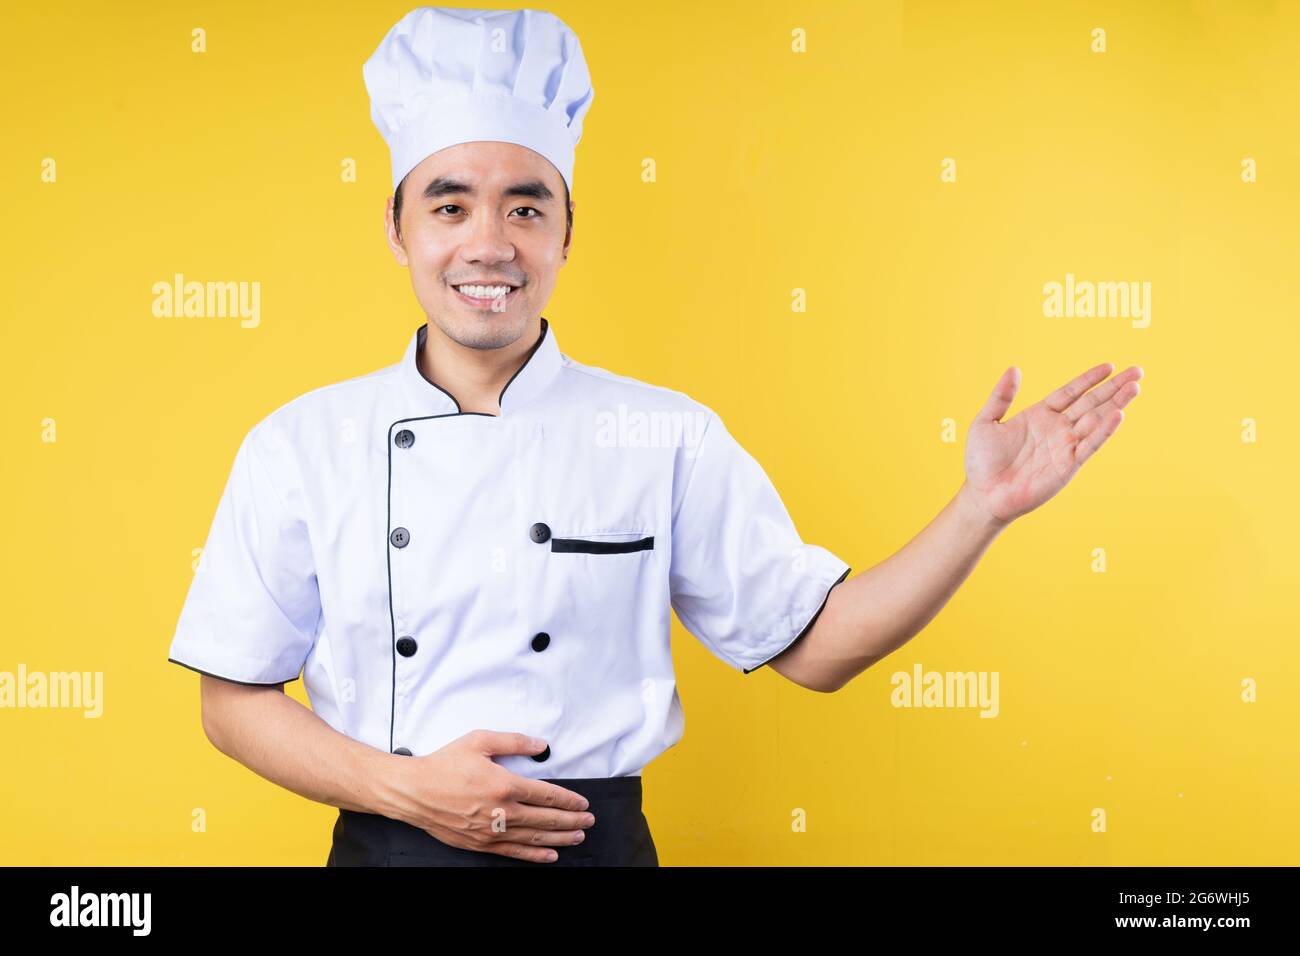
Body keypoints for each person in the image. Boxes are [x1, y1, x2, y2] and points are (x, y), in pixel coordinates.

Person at [167, 6, 1143, 867]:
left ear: (566, 229)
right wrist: (406, 789)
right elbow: (232, 698)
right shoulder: (300, 443)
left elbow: (816, 646)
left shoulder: (662, 434)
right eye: (449, 203)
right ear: (396, 228)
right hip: (390, 851)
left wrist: (980, 510)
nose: (489, 241)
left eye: (526, 204)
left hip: (597, 852)